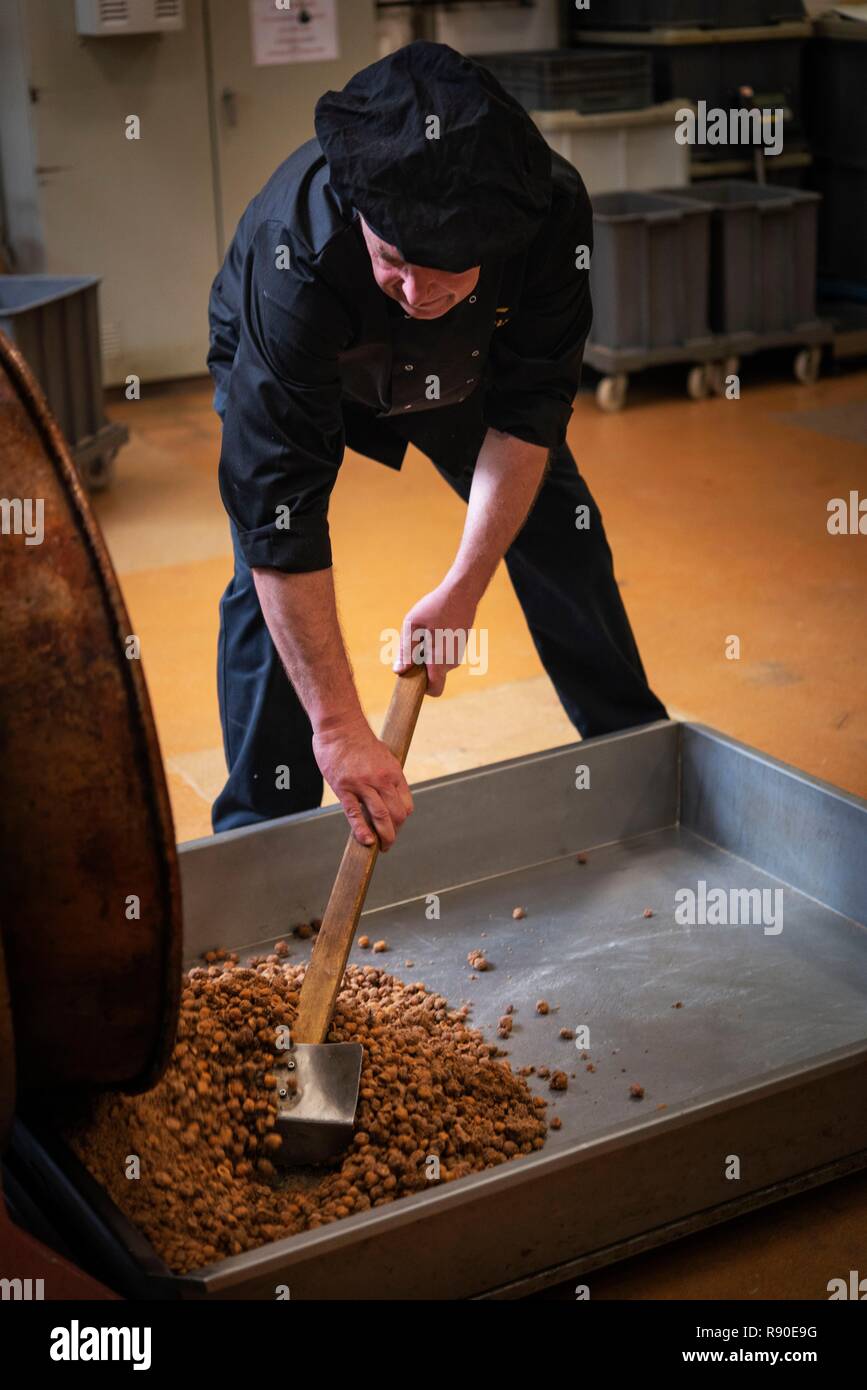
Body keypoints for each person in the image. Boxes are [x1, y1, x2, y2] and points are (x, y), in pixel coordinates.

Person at [207, 41, 667, 847]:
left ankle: (637, 758)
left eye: (446, 269)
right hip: (310, 356)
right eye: (394, 260)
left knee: (559, 527)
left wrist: (463, 585)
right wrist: (341, 727)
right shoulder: (295, 254)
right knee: (263, 570)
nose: (417, 294)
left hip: (463, 364)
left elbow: (527, 415)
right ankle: (259, 832)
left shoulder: (549, 211)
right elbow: (279, 512)